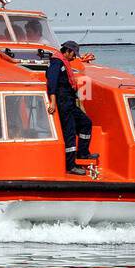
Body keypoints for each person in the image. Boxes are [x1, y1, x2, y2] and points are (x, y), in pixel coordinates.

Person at [47, 40, 96, 175]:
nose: (74, 57)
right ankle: (70, 166)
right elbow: (52, 83)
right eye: (73, 54)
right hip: (63, 102)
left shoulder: (64, 61)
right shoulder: (56, 62)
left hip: (70, 101)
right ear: (67, 51)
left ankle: (83, 153)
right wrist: (52, 102)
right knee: (69, 133)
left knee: (86, 123)